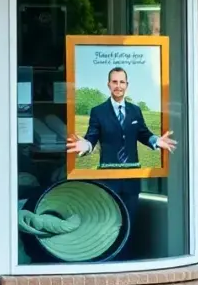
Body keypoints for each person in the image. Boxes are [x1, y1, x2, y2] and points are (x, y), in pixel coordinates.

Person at [66, 66, 176, 219]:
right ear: (109, 84)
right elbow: (92, 136)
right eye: (115, 82)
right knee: (109, 223)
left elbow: (143, 134)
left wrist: (156, 140)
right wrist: (86, 145)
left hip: (131, 182)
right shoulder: (98, 111)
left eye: (122, 82)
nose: (118, 86)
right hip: (108, 180)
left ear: (127, 85)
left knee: (129, 223)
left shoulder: (135, 110)